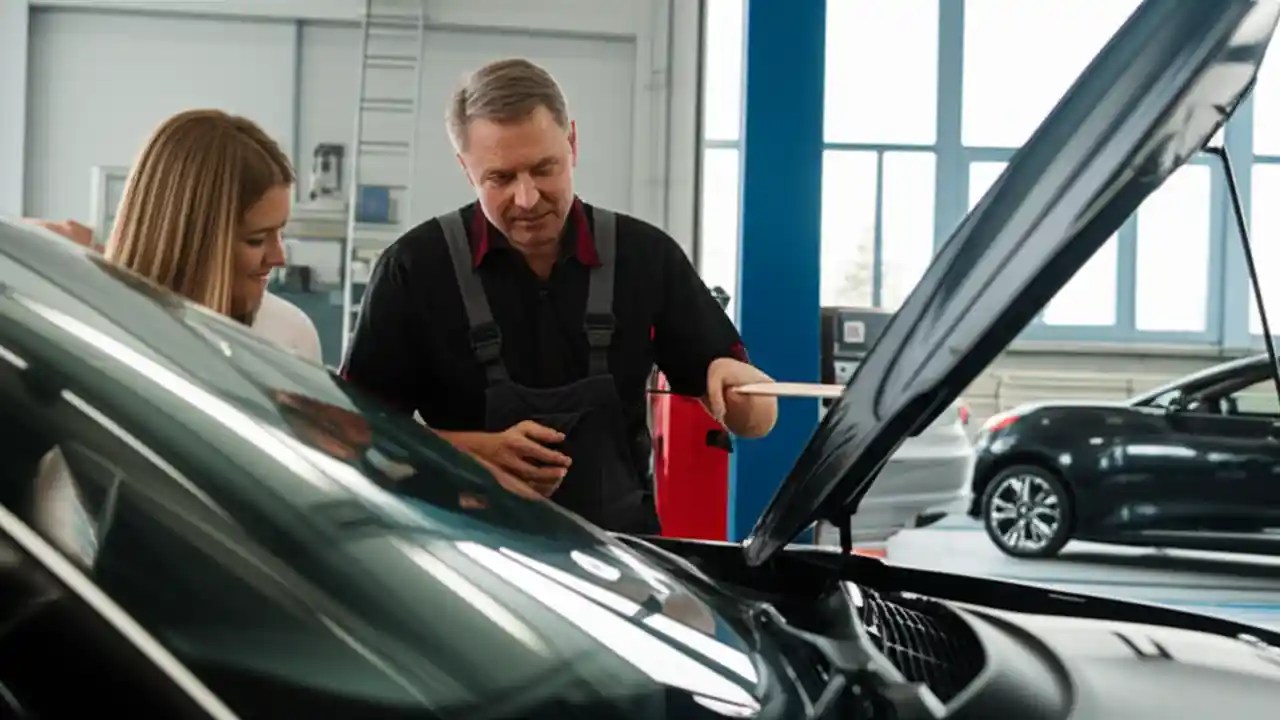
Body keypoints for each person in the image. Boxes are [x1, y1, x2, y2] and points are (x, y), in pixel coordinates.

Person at [340, 58, 778, 534]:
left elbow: (756, 420)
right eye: (500, 179)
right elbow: (354, 436)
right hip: (467, 568)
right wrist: (469, 450)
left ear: (572, 142)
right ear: (466, 169)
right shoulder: (414, 271)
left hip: (623, 565)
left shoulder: (645, 258)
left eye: (544, 168)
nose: (527, 199)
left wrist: (739, 387)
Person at [26, 110, 323, 364]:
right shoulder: (88, 327)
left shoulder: (290, 336)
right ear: (194, 240)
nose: (279, 257)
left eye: (280, 232)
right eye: (256, 240)